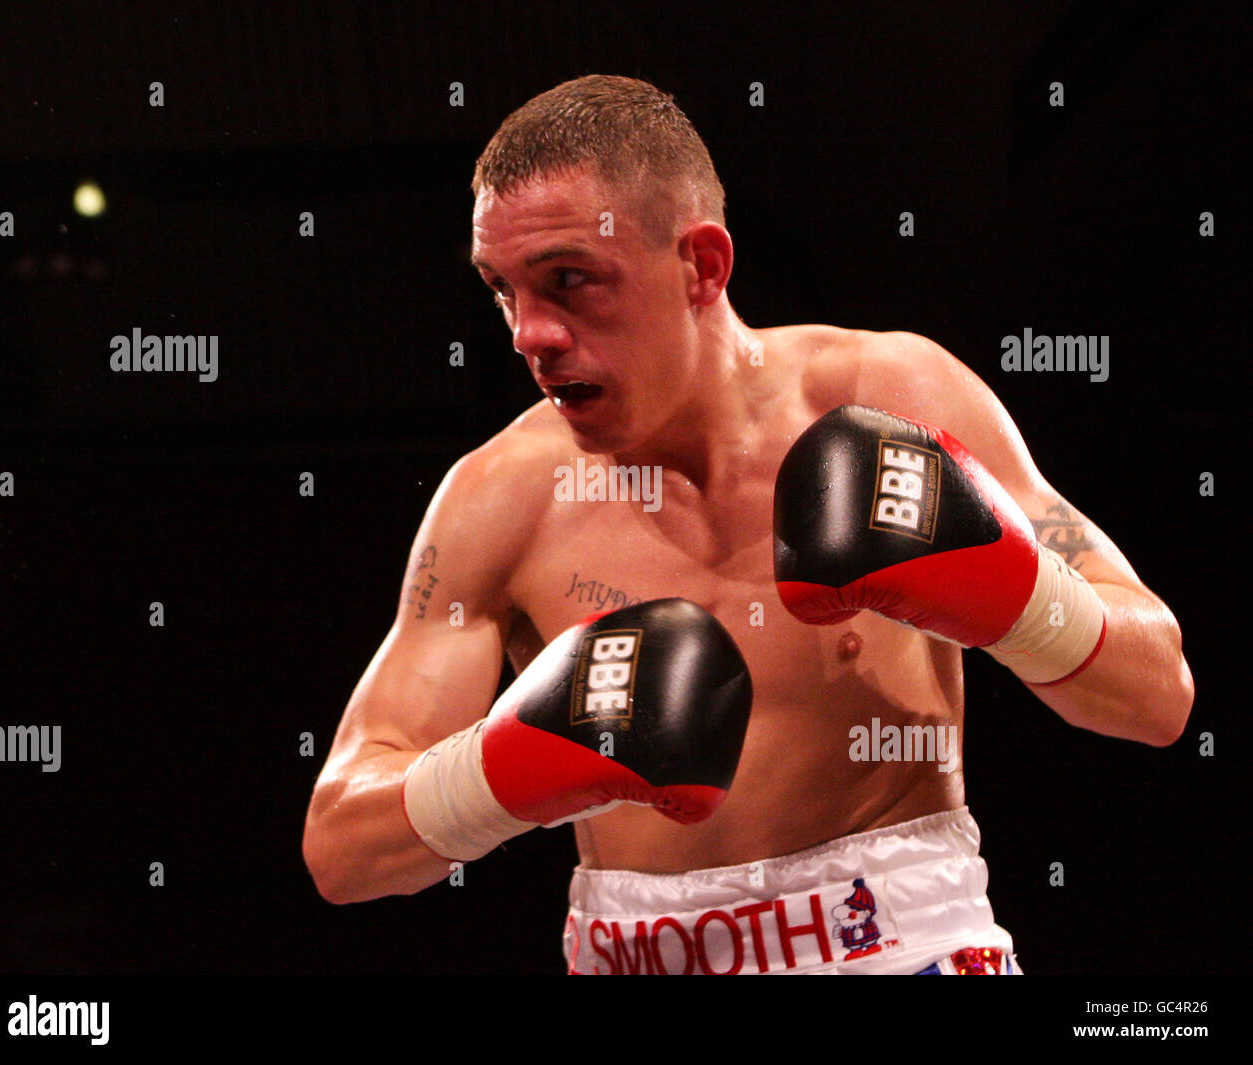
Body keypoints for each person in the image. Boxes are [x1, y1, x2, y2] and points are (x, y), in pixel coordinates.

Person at [302, 75, 1193, 975]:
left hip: (900, 943)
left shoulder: (894, 394)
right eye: (503, 290)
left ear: (702, 265)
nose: (530, 333)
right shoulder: (498, 498)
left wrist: (1010, 588)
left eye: (568, 280)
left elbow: (1160, 695)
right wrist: (509, 768)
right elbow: (340, 846)